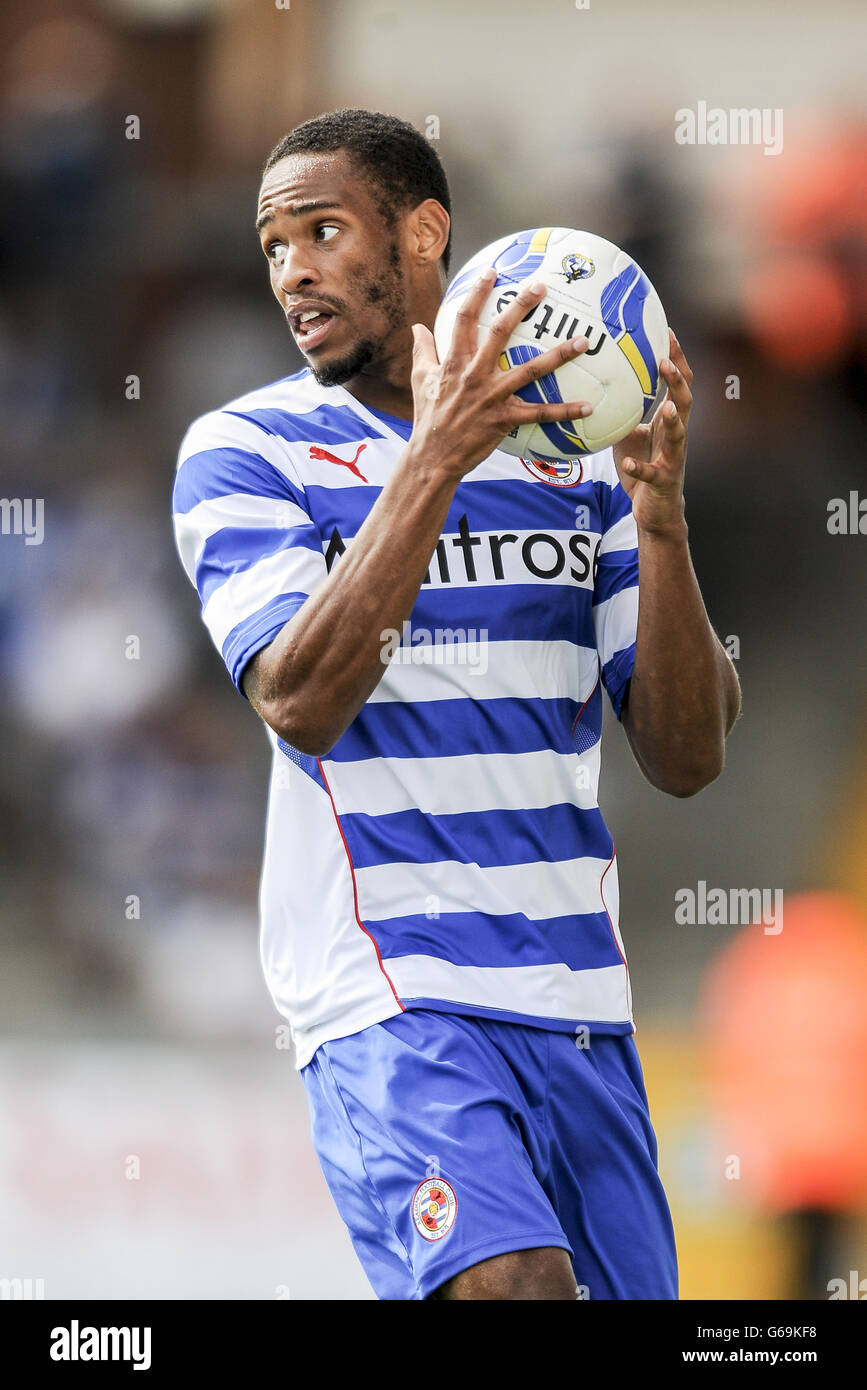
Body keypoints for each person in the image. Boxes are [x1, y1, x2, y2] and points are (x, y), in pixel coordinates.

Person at [171, 108, 741, 1300]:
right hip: (389, 984)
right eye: (275, 246)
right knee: (515, 1285)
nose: (293, 272)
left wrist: (663, 521)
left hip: (578, 993)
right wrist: (435, 458)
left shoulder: (578, 461)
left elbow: (687, 756)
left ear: (424, 232)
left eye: (323, 232)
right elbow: (300, 699)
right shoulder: (248, 452)